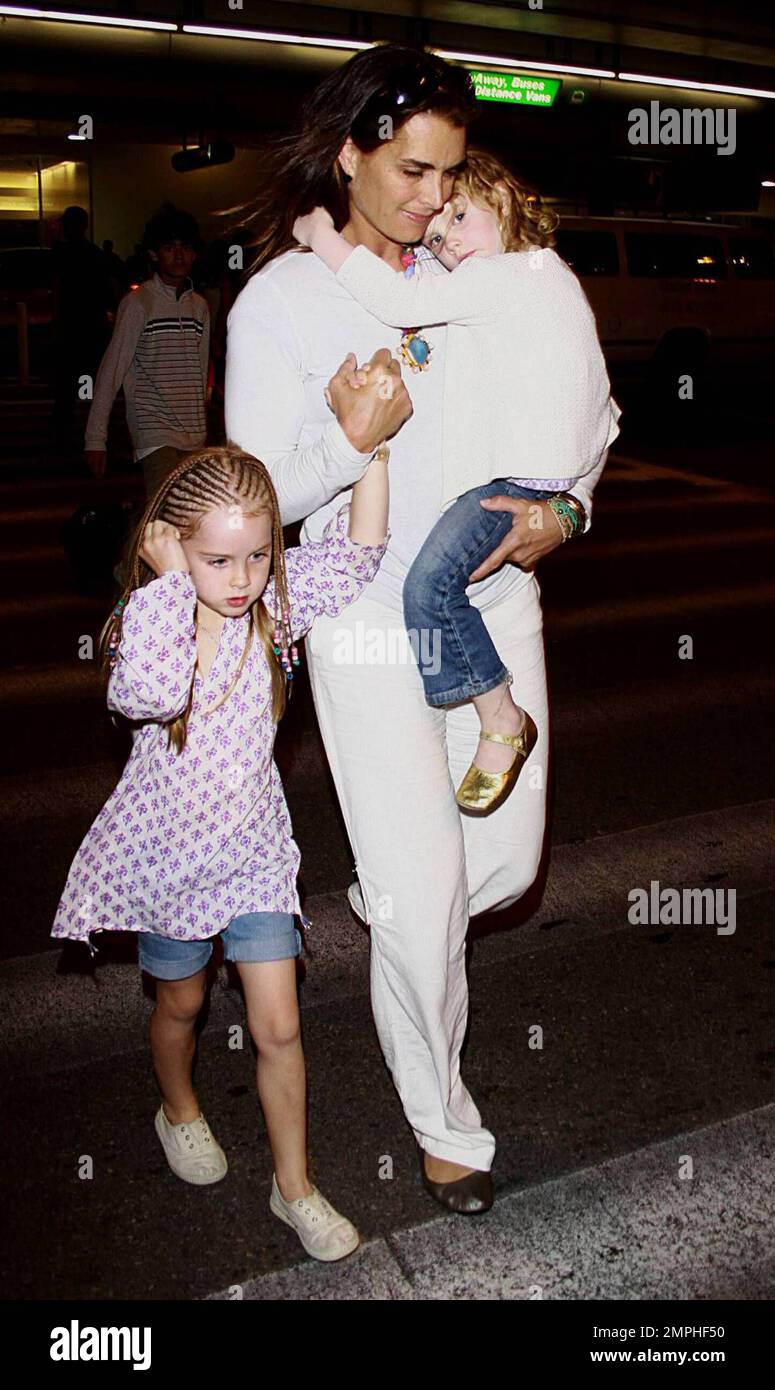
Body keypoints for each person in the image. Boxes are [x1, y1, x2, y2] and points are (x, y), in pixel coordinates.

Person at [225, 43, 612, 1214]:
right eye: (408, 168)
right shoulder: (282, 301)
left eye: (448, 171)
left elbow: (580, 414)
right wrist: (344, 444)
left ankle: (402, 901)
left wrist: (566, 508)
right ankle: (447, 1125)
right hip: (366, 630)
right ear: (349, 155)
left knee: (504, 861)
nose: (432, 195)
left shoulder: (474, 265)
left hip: (494, 605)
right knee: (426, 892)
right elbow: (254, 497)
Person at [50, 443, 391, 1261]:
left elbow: (359, 553)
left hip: (254, 858)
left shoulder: (273, 603)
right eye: (216, 559)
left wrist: (372, 447)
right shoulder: (151, 621)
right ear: (169, 545)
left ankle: (294, 1187)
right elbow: (150, 694)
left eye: (257, 554)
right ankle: (177, 1109)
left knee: (278, 1025)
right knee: (182, 1007)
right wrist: (169, 585)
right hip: (170, 866)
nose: (241, 578)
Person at [292, 148, 621, 815]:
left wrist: (319, 236)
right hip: (500, 500)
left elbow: (395, 297)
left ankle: (500, 717)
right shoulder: (539, 278)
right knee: (434, 594)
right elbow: (599, 405)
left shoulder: (500, 277)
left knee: (431, 588)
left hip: (512, 490)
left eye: (460, 215)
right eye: (438, 237)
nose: (448, 243)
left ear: (501, 195)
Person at [84, 206, 210, 497]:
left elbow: (201, 373)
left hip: (193, 433)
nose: (179, 256)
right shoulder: (139, 304)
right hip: (155, 431)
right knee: (167, 515)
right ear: (153, 254)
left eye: (186, 248)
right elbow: (111, 370)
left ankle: (132, 538)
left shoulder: (200, 307)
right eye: (169, 248)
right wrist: (95, 439)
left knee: (188, 519)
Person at [50, 205, 113, 452]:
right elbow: (106, 291)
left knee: (66, 384)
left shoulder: (61, 254)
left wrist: (56, 324)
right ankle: (87, 428)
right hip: (90, 328)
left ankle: (65, 432)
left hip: (72, 327)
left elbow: (57, 290)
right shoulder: (95, 254)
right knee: (86, 380)